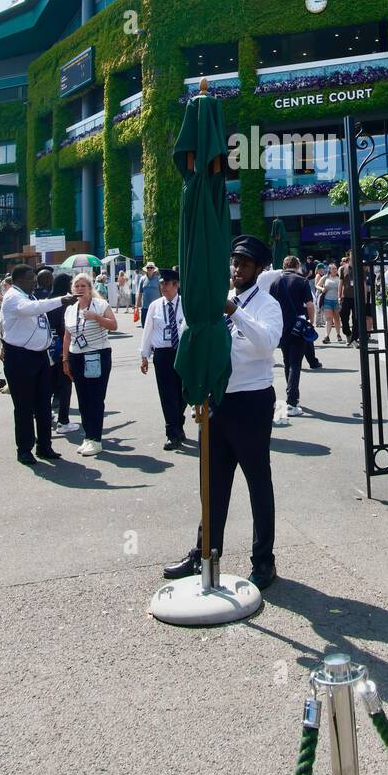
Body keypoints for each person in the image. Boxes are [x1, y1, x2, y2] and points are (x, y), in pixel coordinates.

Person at [163, 234, 283, 591]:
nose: (237, 269)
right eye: (234, 262)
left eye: (245, 264)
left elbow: (265, 343)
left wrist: (235, 312)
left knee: (257, 482)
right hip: (216, 402)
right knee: (212, 482)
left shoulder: (265, 304)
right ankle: (204, 552)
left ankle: (264, 561)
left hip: (251, 401)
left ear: (259, 268)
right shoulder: (221, 300)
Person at [1, 265, 76, 465]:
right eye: (30, 279)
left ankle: (45, 446)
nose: (34, 282)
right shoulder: (13, 297)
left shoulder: (30, 296)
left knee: (43, 404)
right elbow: (31, 310)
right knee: (24, 406)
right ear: (18, 280)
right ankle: (24, 449)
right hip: (20, 358)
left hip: (40, 357)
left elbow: (38, 308)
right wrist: (61, 300)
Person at [62, 272, 117, 456]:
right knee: (83, 398)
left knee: (95, 398)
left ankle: (96, 438)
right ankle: (88, 436)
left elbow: (113, 325)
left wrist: (96, 317)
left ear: (90, 288)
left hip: (97, 355)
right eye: (76, 286)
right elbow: (67, 335)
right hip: (76, 355)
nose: (79, 289)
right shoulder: (71, 309)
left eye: (83, 286)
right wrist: (65, 359)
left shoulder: (100, 305)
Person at [139, 267, 187, 449]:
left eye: (166, 284)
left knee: (183, 393)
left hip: (182, 353)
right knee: (167, 395)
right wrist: (144, 355)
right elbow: (148, 330)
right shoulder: (155, 306)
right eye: (161, 284)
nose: (163, 287)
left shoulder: (185, 303)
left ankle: (178, 422)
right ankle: (172, 433)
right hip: (163, 354)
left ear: (176, 285)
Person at [269, 256, 317, 418]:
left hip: (280, 327)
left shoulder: (275, 282)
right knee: (296, 363)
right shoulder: (302, 281)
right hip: (298, 326)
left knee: (287, 362)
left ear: (284, 266)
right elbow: (310, 305)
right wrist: (311, 321)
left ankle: (290, 397)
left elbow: (270, 305)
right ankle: (291, 401)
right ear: (297, 266)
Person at [48, 272, 79, 435]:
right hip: (63, 348)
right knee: (65, 384)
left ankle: (48, 417)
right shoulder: (66, 303)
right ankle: (63, 421)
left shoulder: (48, 300)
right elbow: (66, 328)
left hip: (47, 349)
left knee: (49, 385)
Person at [317, 262, 342, 342]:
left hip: (337, 300)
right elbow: (317, 285)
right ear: (330, 270)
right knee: (328, 319)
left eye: (335, 268)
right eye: (333, 268)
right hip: (327, 300)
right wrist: (322, 289)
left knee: (337, 319)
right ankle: (327, 336)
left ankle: (338, 334)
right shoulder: (325, 277)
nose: (335, 270)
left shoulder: (339, 277)